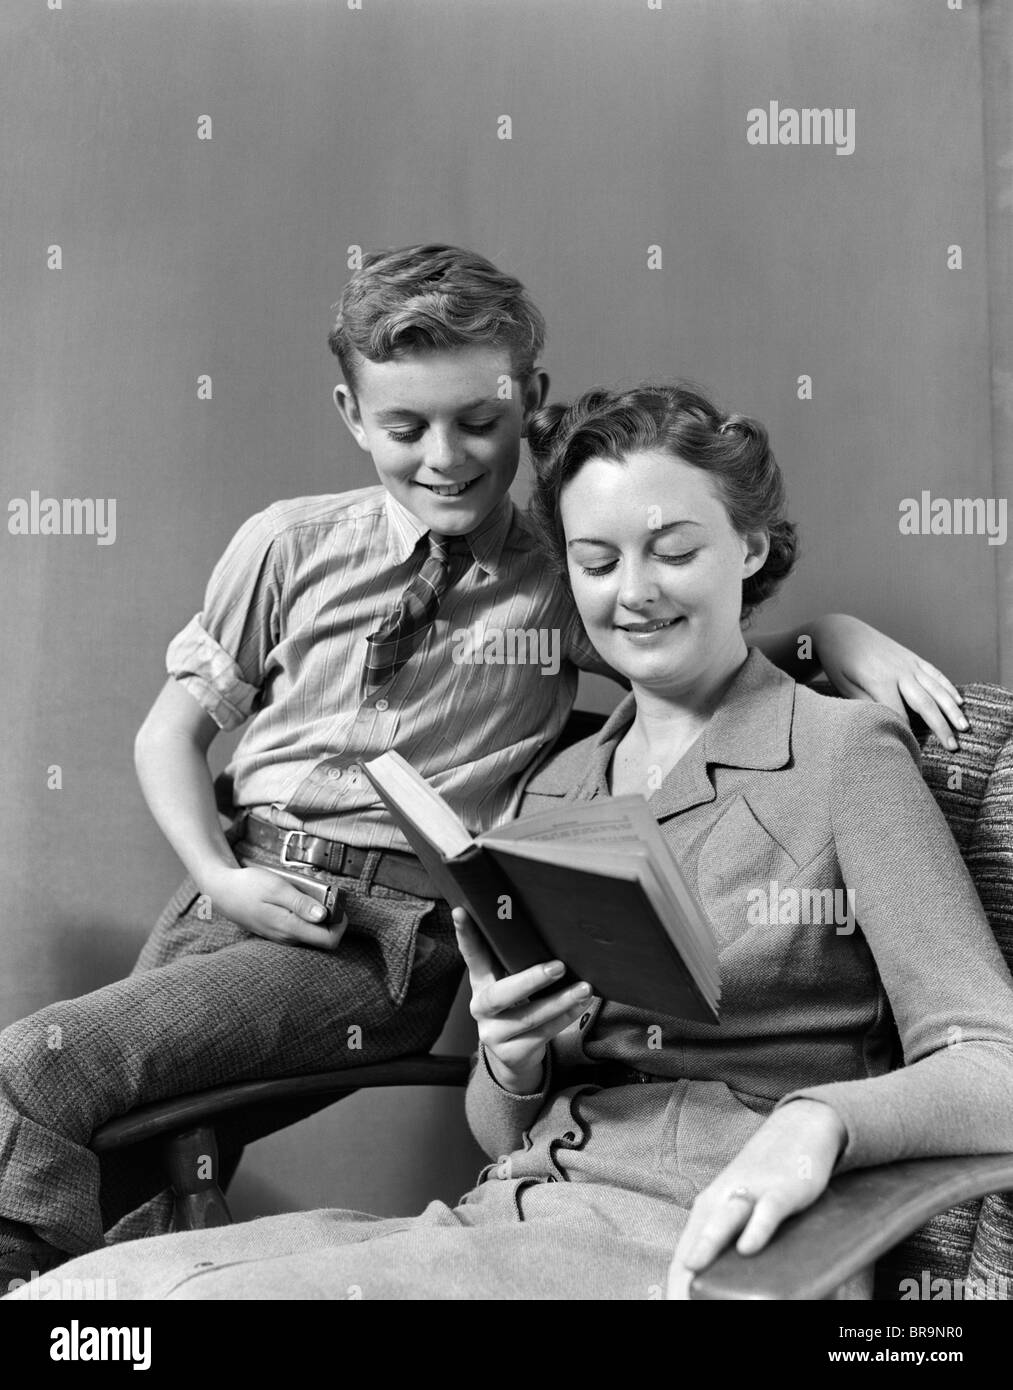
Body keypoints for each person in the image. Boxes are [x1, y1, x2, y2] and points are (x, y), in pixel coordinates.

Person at [0, 246, 966, 1285]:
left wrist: (829, 638)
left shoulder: (610, 615)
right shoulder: (529, 765)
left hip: (412, 974)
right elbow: (502, 1119)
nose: (627, 592)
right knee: (115, 1218)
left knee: (43, 1082)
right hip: (269, 921)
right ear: (352, 412)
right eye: (598, 561)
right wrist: (504, 1048)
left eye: (673, 550)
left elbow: (712, 662)